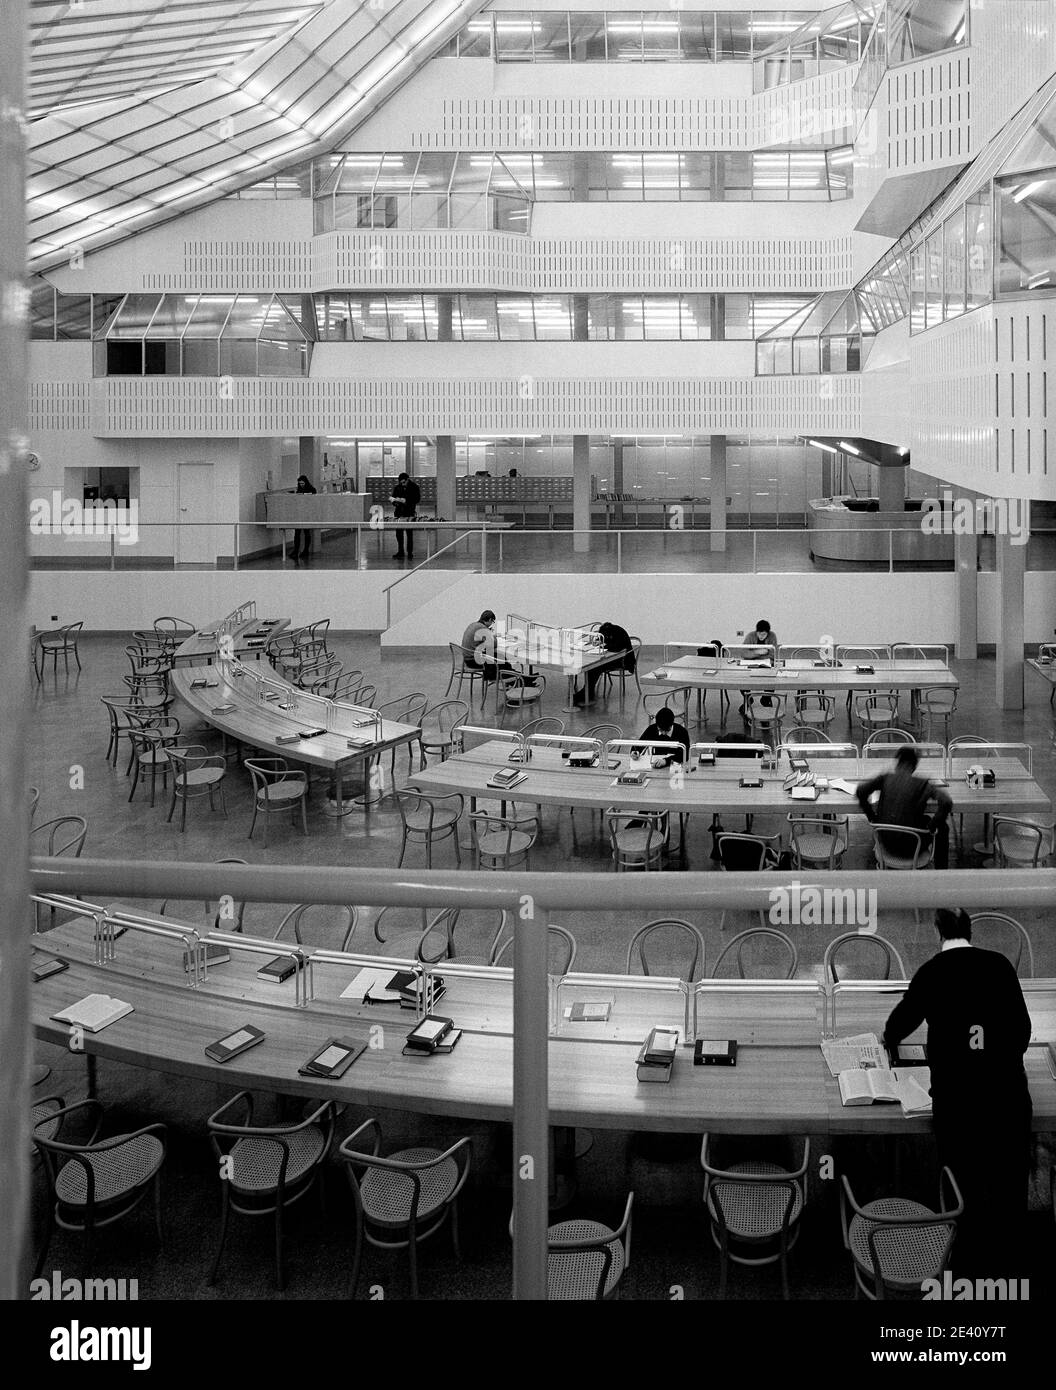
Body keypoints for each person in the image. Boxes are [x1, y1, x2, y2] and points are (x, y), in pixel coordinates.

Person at [883, 909, 1032, 1273]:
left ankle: (962, 1264)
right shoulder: (999, 965)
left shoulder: (932, 972)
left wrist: (888, 1041)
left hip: (958, 1104)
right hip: (1009, 1099)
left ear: (938, 932)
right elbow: (1023, 1031)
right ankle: (1008, 1267)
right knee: (1008, 1185)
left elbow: (901, 1022)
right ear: (970, 931)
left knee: (962, 1183)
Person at [855, 745, 952, 869]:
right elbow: (946, 802)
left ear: (897, 763)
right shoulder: (922, 784)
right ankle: (942, 872)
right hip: (912, 846)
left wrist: (872, 816)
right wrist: (932, 826)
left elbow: (860, 791)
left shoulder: (885, 778)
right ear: (915, 765)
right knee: (942, 827)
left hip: (886, 841)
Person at [573, 620, 635, 706]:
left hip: (623, 660)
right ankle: (587, 692)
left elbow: (617, 648)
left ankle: (587, 693)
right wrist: (598, 642)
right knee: (593, 667)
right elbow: (603, 640)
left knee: (596, 667)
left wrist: (604, 646)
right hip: (612, 658)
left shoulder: (619, 633)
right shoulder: (609, 631)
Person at [460, 610, 509, 683]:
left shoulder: (474, 624)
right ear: (490, 620)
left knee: (498, 658)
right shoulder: (482, 628)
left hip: (467, 659)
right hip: (474, 661)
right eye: (492, 622)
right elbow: (494, 644)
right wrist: (491, 634)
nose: (491, 624)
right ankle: (511, 679)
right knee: (502, 660)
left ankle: (510, 678)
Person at [390, 471, 421, 560]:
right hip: (399, 513)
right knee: (399, 533)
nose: (402, 484)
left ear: (407, 480)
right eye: (401, 482)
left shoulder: (414, 487)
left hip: (409, 512)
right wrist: (395, 502)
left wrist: (406, 500)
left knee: (409, 533)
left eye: (404, 482)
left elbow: (417, 499)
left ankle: (410, 552)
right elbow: (393, 497)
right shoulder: (397, 487)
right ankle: (400, 551)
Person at [290, 474, 315, 564]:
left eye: (302, 483)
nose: (301, 485)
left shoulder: (312, 490)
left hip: (307, 514)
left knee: (306, 532)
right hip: (299, 514)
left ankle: (306, 550)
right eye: (300, 483)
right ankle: (296, 550)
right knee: (297, 533)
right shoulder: (299, 490)